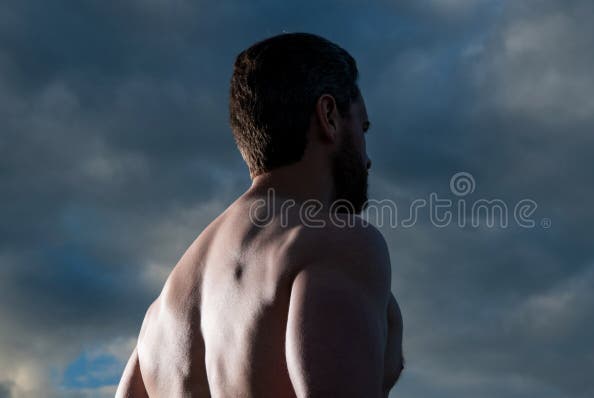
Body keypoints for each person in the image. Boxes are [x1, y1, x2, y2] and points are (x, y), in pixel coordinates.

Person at [116, 32, 404, 398]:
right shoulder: (335, 243)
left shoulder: (160, 315)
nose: (367, 159)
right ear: (328, 116)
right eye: (362, 128)